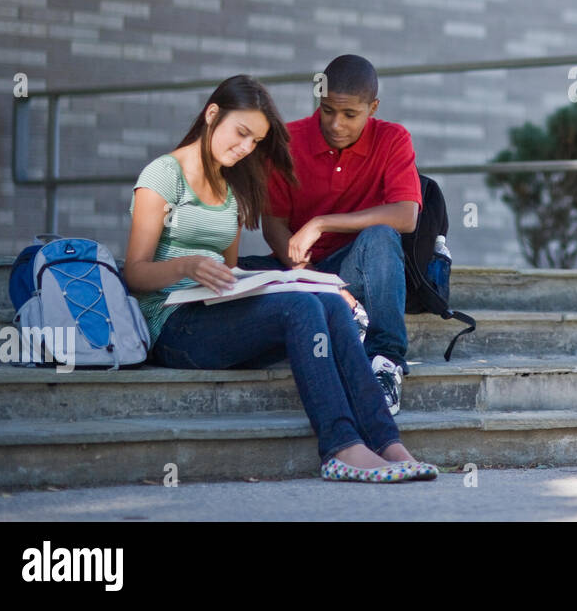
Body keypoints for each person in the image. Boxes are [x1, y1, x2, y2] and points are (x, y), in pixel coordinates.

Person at [123, 74, 437, 483]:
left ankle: (386, 441)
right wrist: (185, 266)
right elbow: (134, 273)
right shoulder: (164, 174)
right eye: (240, 133)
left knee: (323, 301)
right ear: (212, 114)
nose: (245, 148)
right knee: (302, 307)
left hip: (213, 315)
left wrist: (306, 282)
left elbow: (231, 274)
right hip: (170, 326)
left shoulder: (230, 186)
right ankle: (341, 447)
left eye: (254, 141)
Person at [240, 55, 420, 416]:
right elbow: (273, 222)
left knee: (382, 236)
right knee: (239, 273)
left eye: (350, 115)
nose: (336, 124)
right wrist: (298, 265)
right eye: (326, 110)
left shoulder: (393, 138)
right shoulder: (288, 141)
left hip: (358, 269)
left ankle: (386, 360)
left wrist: (321, 223)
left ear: (373, 108)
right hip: (301, 271)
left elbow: (406, 215)